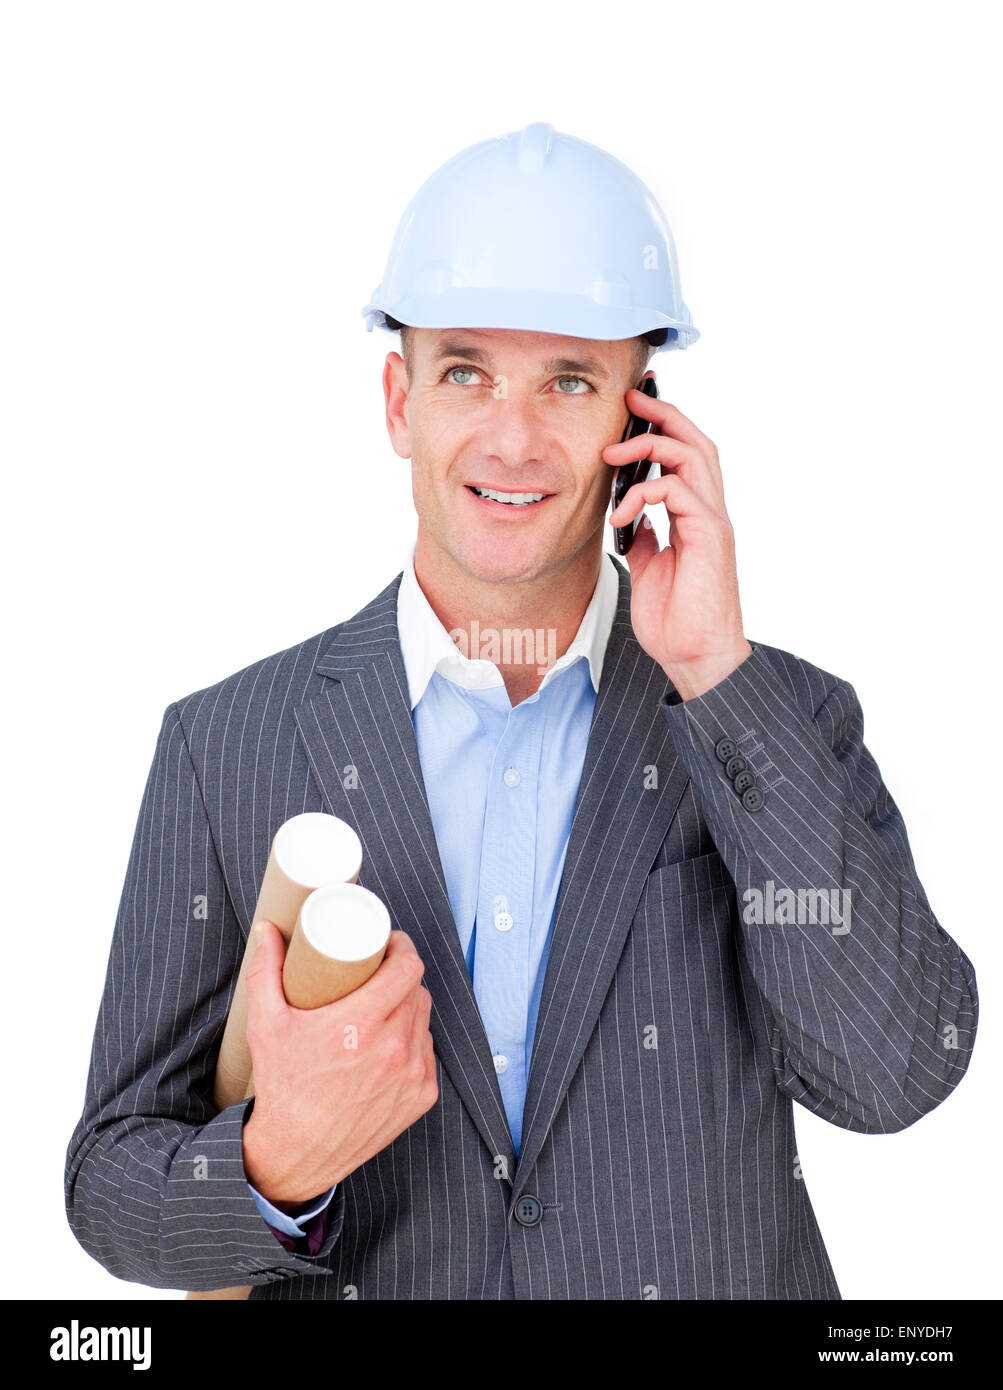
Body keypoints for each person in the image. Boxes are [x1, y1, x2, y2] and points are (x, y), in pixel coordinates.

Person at [65, 123, 978, 1300]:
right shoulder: (227, 744)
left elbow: (894, 1072)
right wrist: (274, 1164)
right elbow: (106, 1177)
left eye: (567, 381)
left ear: (638, 425)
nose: (510, 435)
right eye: (464, 372)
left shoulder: (778, 715)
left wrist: (713, 672)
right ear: (399, 400)